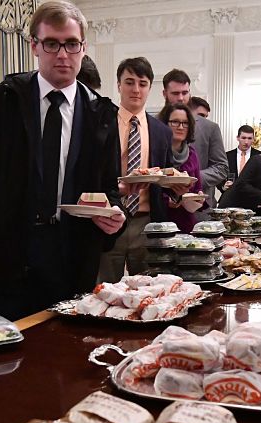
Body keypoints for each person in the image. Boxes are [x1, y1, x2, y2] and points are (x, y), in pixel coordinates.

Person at [0, 1, 126, 321]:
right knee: (3, 355)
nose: (63, 54)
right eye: (52, 43)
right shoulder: (3, 99)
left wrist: (114, 216)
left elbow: (109, 189)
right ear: (34, 45)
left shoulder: (100, 113)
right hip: (9, 250)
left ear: (83, 48)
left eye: (71, 44)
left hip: (72, 256)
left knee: (66, 355)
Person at [97, 56, 173, 282]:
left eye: (142, 83)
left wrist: (179, 192)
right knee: (105, 289)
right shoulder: (101, 123)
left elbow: (166, 176)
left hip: (147, 222)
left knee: (147, 288)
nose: (136, 89)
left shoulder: (161, 131)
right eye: (129, 82)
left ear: (150, 87)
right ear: (119, 85)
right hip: (109, 218)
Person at [161, 69, 228, 211]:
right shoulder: (153, 124)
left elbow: (221, 167)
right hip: (161, 208)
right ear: (164, 94)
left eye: (184, 93)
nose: (180, 98)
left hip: (197, 208)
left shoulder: (210, 128)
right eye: (175, 93)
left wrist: (191, 178)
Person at [157, 103, 206, 233]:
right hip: (161, 222)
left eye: (185, 123)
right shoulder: (156, 151)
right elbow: (147, 188)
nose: (181, 127)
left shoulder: (192, 153)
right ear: (164, 124)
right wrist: (167, 200)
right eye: (175, 122)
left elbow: (198, 188)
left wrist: (198, 198)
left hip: (186, 222)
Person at [222, 125, 261, 191]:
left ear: (253, 139)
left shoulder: (260, 156)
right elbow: (219, 175)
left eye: (249, 138)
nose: (246, 142)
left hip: (253, 197)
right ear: (237, 138)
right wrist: (223, 186)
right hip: (230, 197)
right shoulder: (227, 156)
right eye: (243, 138)